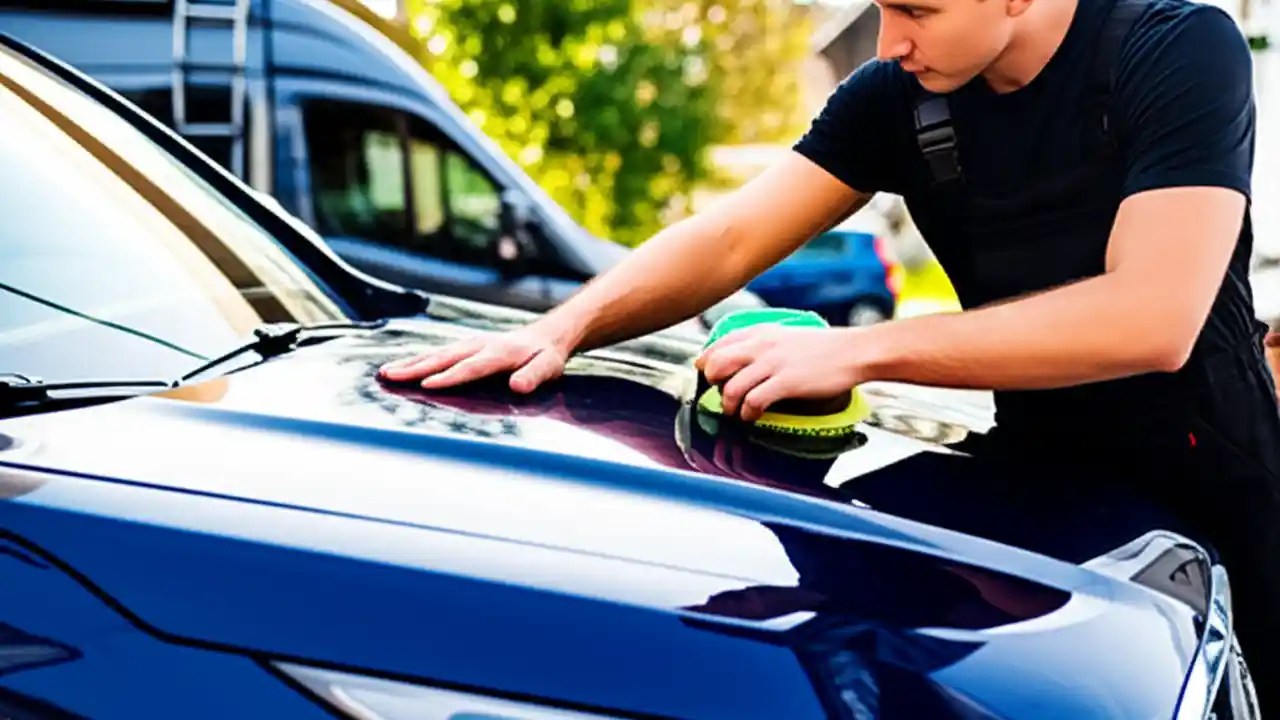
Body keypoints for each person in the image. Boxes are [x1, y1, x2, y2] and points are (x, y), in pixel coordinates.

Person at [382, 0, 1278, 704]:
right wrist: (558, 328)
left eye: (917, 12)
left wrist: (862, 353)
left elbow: (1152, 319)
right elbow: (732, 239)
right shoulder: (900, 96)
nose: (888, 41)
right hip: (1041, 490)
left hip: (1216, 490)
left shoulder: (1179, 50)